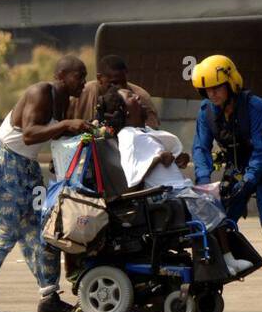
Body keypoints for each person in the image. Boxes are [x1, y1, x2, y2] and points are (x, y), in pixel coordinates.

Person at [0, 55, 92, 312]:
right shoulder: (40, 92)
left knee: (43, 230)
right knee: (2, 230)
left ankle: (49, 299)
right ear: (61, 75)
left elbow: (52, 133)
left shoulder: (63, 100)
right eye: (79, 75)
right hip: (5, 162)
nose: (83, 81)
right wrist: (67, 125)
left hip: (27, 167)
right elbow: (31, 133)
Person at [99, 88, 252, 276]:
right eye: (131, 97)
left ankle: (228, 260)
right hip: (164, 197)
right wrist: (157, 159)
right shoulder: (128, 136)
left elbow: (154, 161)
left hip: (176, 190)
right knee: (205, 203)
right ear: (126, 111)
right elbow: (133, 177)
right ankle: (223, 262)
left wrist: (175, 160)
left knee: (215, 197)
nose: (138, 96)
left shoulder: (142, 132)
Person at [191, 55, 262, 292]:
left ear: (231, 83)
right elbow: (200, 148)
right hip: (237, 172)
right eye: (207, 89)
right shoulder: (206, 112)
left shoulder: (256, 107)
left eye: (217, 87)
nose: (212, 94)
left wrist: (250, 180)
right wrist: (205, 183)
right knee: (215, 226)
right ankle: (210, 287)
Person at [72, 54, 160, 128]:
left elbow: (151, 130)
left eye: (123, 83)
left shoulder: (139, 97)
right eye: (113, 83)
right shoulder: (83, 92)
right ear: (99, 78)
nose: (119, 88)